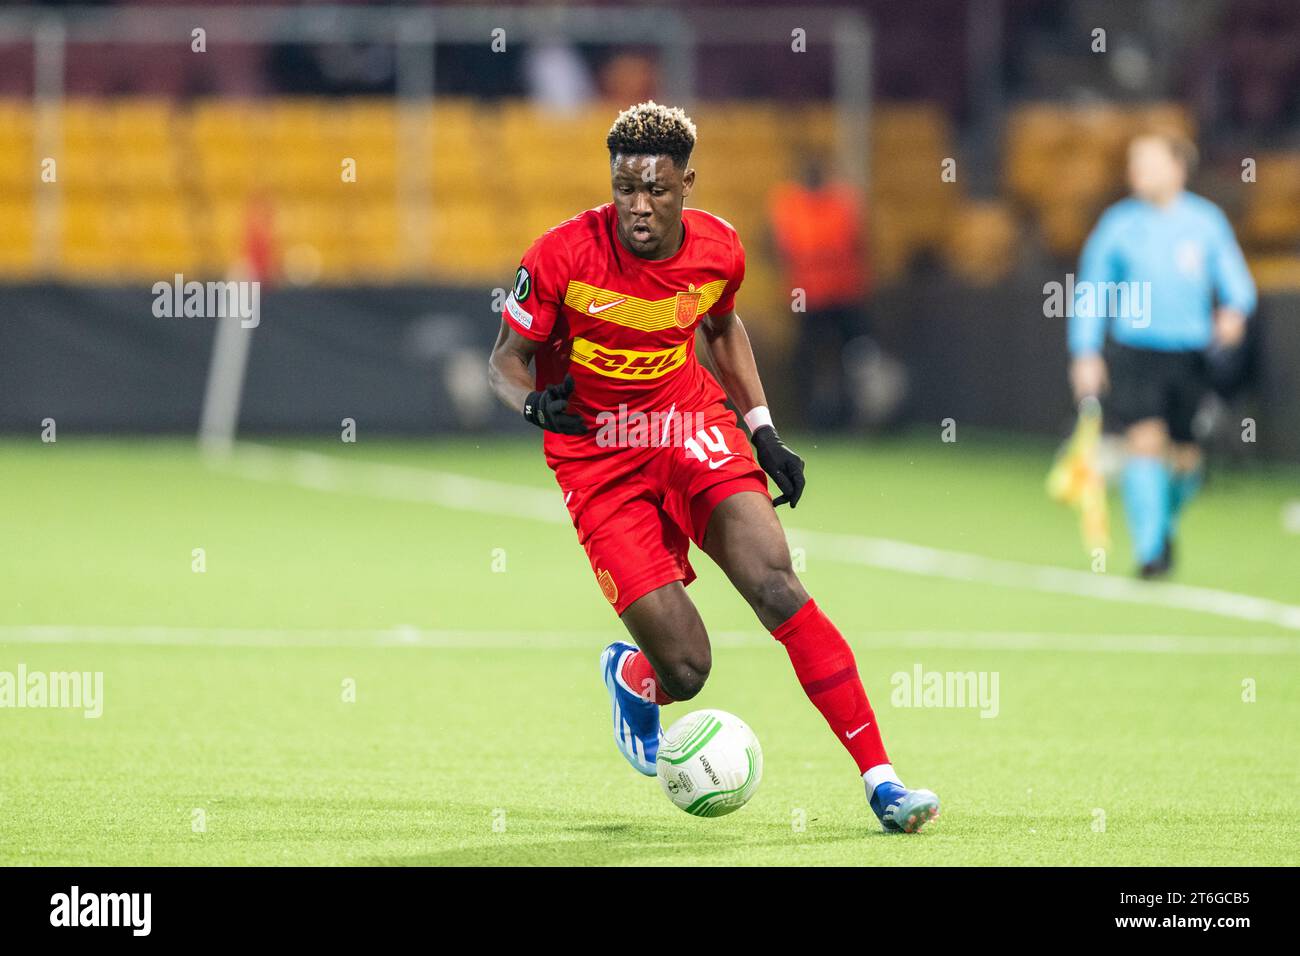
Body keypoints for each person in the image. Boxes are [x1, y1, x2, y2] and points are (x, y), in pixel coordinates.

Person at [487, 102, 939, 833]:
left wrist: (761, 430)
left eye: (656, 190)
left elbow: (723, 326)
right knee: (688, 671)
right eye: (624, 187)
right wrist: (535, 405)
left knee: (775, 584)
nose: (637, 205)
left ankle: (883, 782)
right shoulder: (560, 255)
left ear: (686, 182)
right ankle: (634, 673)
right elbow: (504, 361)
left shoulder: (719, 249)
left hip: (687, 424)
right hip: (597, 457)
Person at [1069, 131, 1256, 577]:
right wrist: (1085, 352)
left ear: (1178, 168)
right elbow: (1092, 292)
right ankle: (1151, 552)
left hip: (1190, 354)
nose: (1138, 171)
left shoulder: (1205, 222)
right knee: (1145, 442)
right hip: (1136, 350)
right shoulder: (1118, 224)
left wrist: (1234, 311)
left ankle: (1162, 522)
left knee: (1187, 460)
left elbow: (1237, 283)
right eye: (1134, 162)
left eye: (1149, 162)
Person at [768, 154, 871, 429]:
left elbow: (855, 244)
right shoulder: (793, 203)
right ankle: (812, 418)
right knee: (810, 359)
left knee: (852, 358)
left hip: (841, 295)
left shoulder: (839, 202)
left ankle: (854, 417)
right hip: (810, 297)